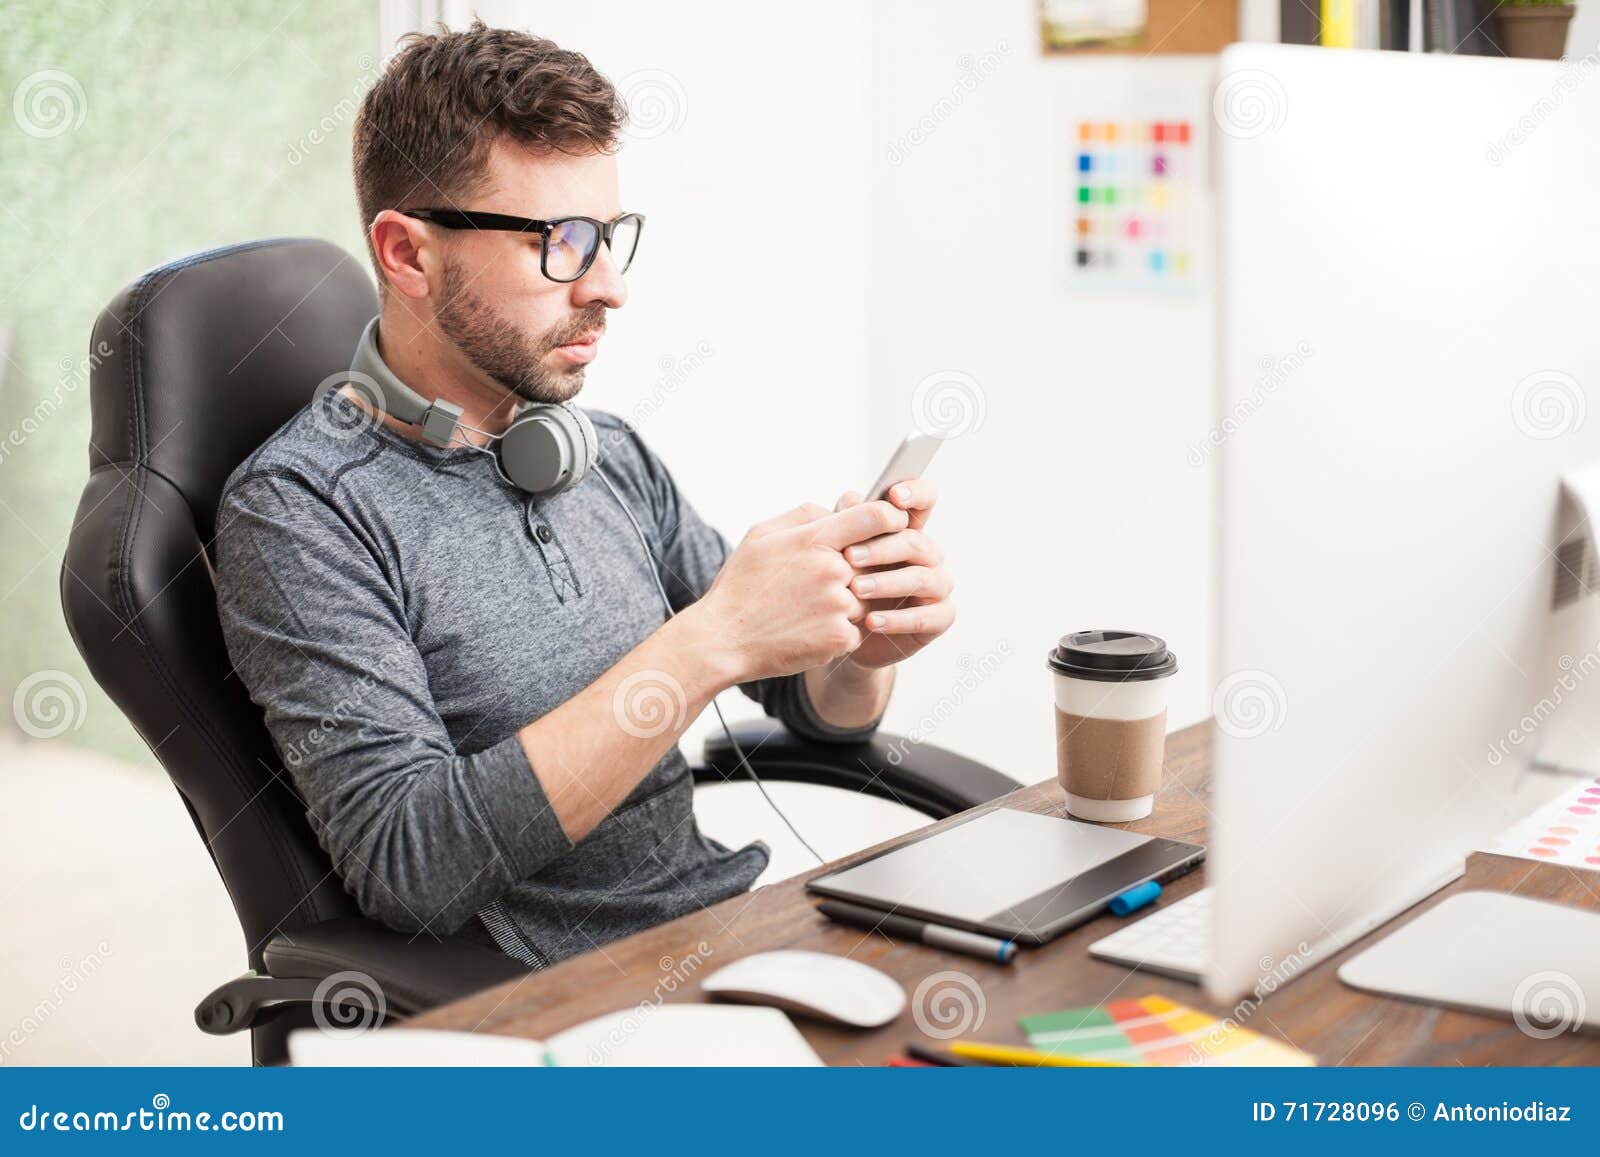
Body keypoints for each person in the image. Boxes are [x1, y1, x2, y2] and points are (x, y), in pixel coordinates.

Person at [214, 22, 954, 969]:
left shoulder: (598, 452)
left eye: (609, 238)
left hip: (736, 943)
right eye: (561, 243)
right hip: (568, 1013)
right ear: (407, 255)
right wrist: (708, 641)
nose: (608, 288)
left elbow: (815, 711)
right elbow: (410, 864)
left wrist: (862, 646)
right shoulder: (304, 511)